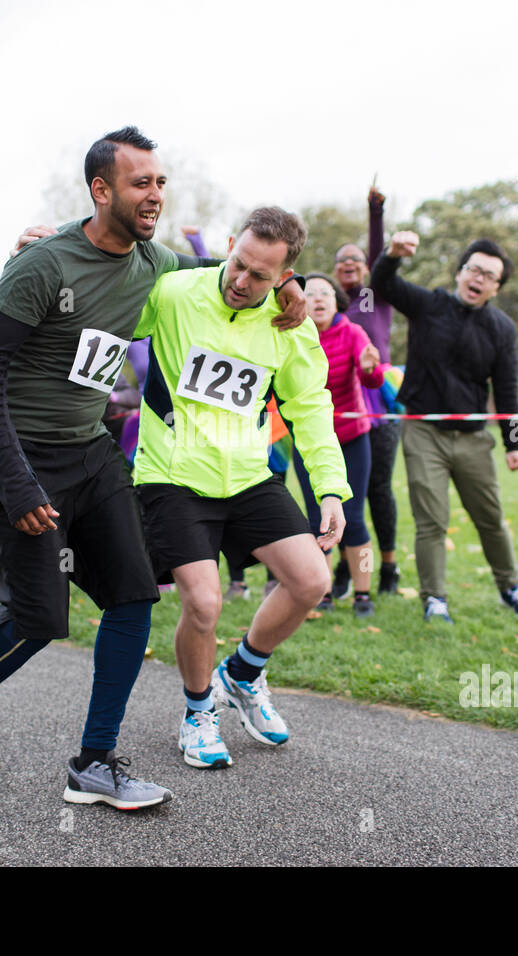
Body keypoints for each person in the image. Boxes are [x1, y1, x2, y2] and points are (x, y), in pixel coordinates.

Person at [0, 126, 306, 810]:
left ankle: (94, 763)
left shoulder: (154, 266)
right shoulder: (44, 264)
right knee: (38, 618)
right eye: (139, 183)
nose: (154, 194)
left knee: (132, 598)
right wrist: (16, 482)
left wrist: (290, 288)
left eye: (158, 181)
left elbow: (230, 272)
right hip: (21, 457)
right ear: (102, 190)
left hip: (92, 454)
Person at [132, 206, 348, 770]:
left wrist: (330, 489)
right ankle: (199, 711)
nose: (240, 281)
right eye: (237, 264)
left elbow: (310, 406)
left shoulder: (288, 322)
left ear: (283, 277)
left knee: (311, 580)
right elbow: (105, 296)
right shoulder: (176, 292)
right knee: (204, 602)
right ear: (230, 246)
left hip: (249, 476)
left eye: (259, 276)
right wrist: (45, 249)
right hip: (173, 475)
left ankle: (244, 672)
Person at [370, 230, 518, 625]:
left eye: (489, 276)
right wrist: (391, 255)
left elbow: (507, 390)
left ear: (496, 288)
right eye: (473, 269)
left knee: (490, 517)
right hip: (423, 431)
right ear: (460, 272)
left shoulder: (502, 329)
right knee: (431, 520)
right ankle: (435, 599)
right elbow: (382, 284)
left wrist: (514, 444)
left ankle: (510, 586)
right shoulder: (430, 304)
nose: (478, 279)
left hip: (473, 438)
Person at [290, 272, 383, 617]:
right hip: (310, 440)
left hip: (352, 438)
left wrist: (370, 368)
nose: (317, 299)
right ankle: (324, 592)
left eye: (325, 293)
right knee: (318, 518)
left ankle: (362, 594)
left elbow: (371, 379)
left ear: (336, 301)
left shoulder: (353, 332)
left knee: (355, 518)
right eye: (310, 293)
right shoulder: (294, 334)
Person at [333, 185, 403, 596]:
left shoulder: (374, 297)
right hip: (342, 408)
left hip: (379, 404)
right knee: (345, 497)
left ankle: (388, 568)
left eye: (355, 259)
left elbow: (380, 259)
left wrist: (375, 212)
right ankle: (347, 571)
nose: (348, 264)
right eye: (341, 260)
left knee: (378, 490)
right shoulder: (328, 306)